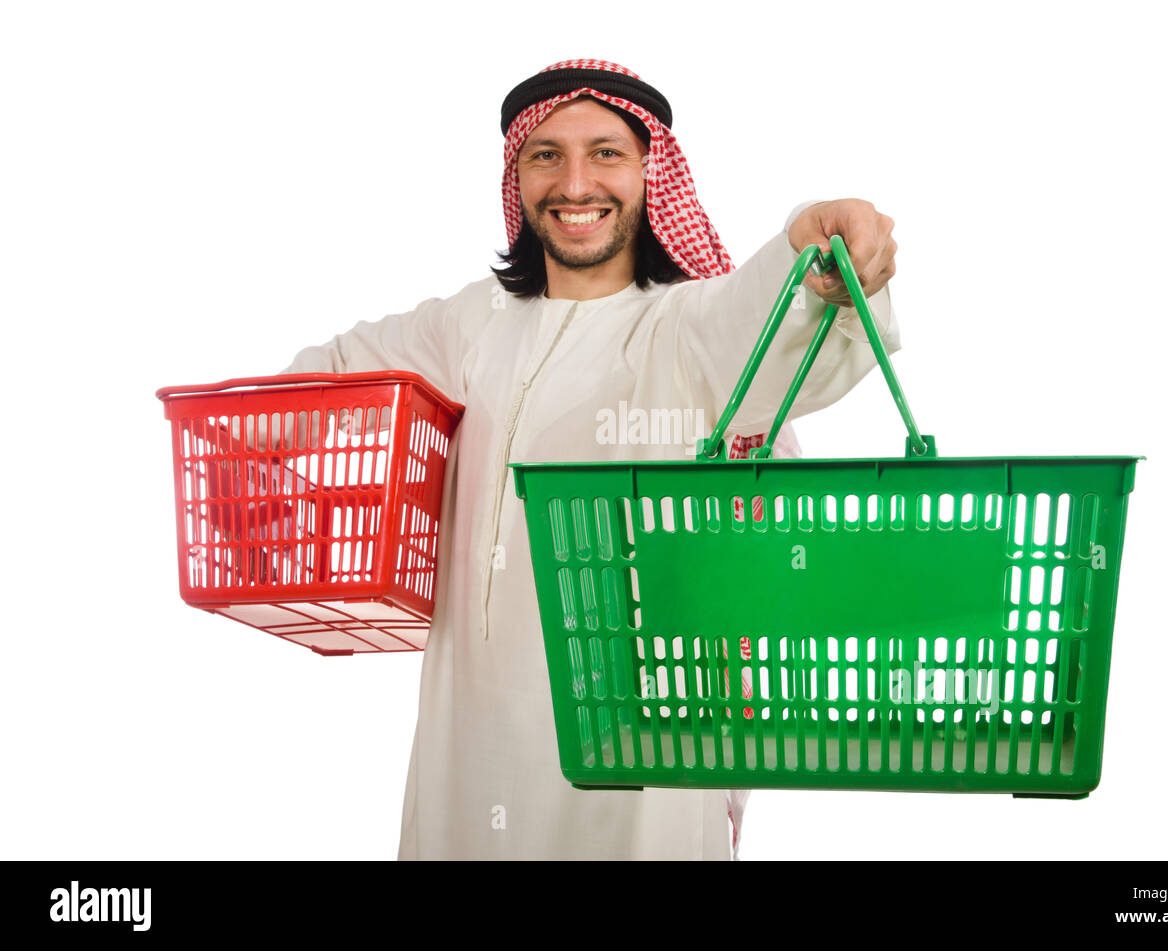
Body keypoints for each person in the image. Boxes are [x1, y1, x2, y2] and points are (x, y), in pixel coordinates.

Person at [282, 59, 901, 859]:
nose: (575, 183)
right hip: (469, 748)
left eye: (607, 152)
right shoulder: (472, 324)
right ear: (518, 176)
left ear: (652, 172)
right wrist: (252, 448)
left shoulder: (686, 327)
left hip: (646, 767)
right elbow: (330, 374)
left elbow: (769, 310)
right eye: (547, 155)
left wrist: (817, 241)